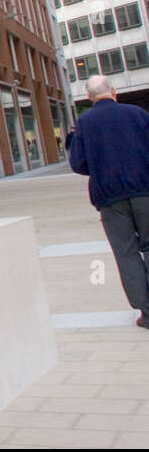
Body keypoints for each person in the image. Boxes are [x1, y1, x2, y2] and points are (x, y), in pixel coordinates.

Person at [67, 75, 149, 329]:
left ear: (89, 97)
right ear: (113, 91)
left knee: (126, 254)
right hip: (145, 191)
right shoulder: (137, 114)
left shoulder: (84, 123)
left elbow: (79, 164)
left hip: (109, 197)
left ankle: (146, 312)